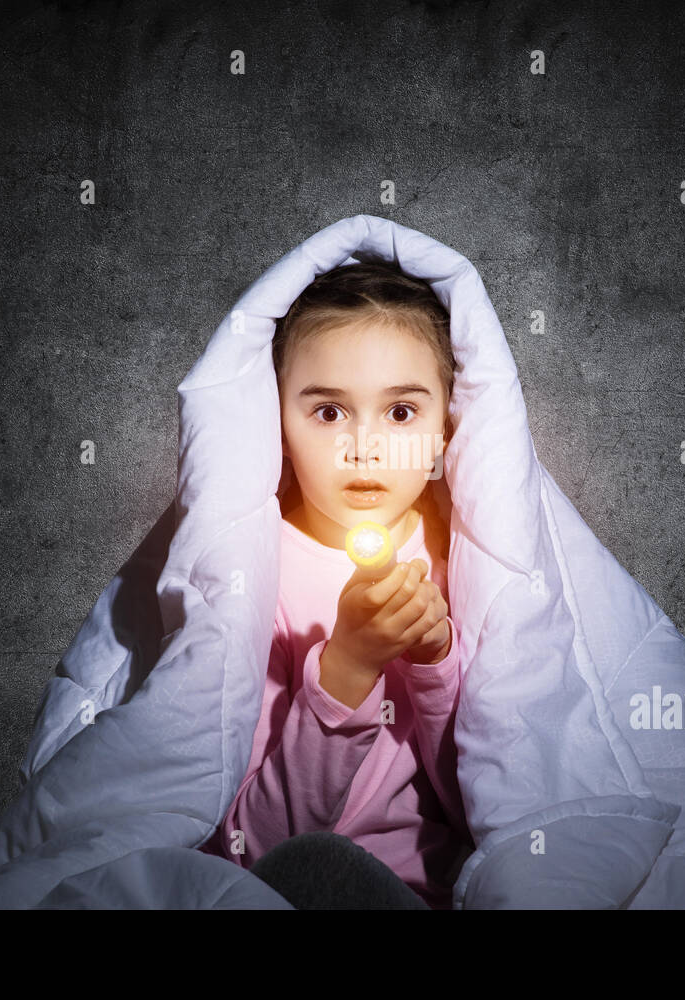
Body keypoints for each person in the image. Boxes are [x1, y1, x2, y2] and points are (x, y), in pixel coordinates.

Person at [198, 261, 475, 909]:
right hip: (306, 888)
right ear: (277, 424)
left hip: (431, 891)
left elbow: (487, 808)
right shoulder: (253, 576)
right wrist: (347, 666)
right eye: (328, 412)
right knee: (318, 869)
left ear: (446, 429)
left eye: (401, 411)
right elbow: (252, 848)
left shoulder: (462, 558)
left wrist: (435, 662)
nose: (364, 447)